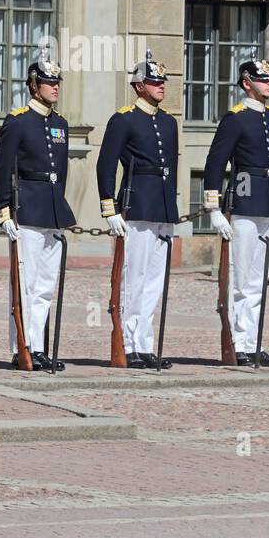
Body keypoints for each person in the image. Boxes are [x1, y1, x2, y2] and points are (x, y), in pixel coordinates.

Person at [96, 51, 179, 370]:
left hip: (161, 207)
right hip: (136, 203)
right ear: (138, 86)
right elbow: (106, 165)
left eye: (161, 81)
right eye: (153, 82)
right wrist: (110, 208)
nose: (160, 86)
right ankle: (128, 344)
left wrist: (171, 208)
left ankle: (145, 343)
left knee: (154, 281)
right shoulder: (124, 119)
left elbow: (170, 166)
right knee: (134, 277)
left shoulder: (168, 122)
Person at [0, 48, 75, 371]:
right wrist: (4, 209)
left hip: (51, 210)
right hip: (26, 209)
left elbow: (62, 172)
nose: (54, 86)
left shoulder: (61, 124)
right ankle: (22, 347)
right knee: (24, 285)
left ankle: (39, 345)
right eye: (48, 81)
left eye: (57, 81)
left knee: (44, 286)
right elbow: (3, 168)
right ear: (33, 84)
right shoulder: (18, 122)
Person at [202, 51, 269, 367]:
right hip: (245, 203)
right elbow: (215, 163)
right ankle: (237, 343)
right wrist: (213, 207)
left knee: (260, 279)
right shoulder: (235, 118)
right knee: (241, 277)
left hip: (267, 204)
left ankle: (253, 341)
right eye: (262, 79)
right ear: (247, 84)